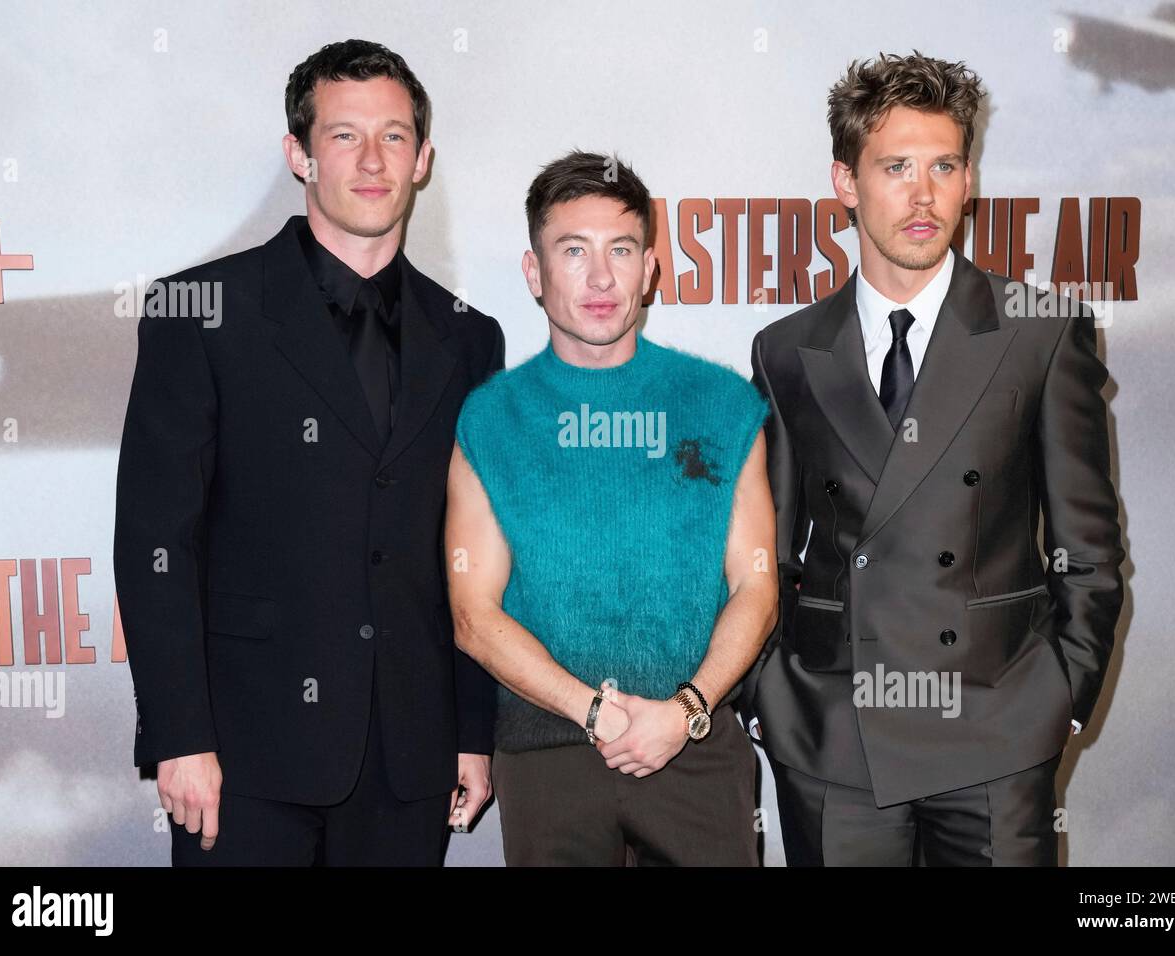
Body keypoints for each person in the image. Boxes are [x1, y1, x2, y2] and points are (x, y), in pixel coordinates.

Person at [114, 38, 502, 865]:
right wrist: (180, 736)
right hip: (242, 754)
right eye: (344, 135)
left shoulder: (470, 339)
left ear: (423, 160)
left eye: (394, 136)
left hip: (409, 754)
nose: (373, 160)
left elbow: (473, 555)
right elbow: (155, 542)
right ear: (300, 154)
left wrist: (472, 730)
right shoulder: (201, 312)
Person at [739, 51, 1125, 865]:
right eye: (897, 168)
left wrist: (1060, 701)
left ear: (969, 178)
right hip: (836, 742)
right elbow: (762, 556)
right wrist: (768, 697)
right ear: (845, 182)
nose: (924, 195)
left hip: (996, 733)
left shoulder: (1041, 332)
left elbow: (1088, 550)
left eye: (944, 166)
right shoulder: (786, 350)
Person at [445, 151, 777, 865]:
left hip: (697, 747)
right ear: (534, 273)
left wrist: (685, 710)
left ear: (650, 269)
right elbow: (473, 615)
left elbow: (756, 586)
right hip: (546, 753)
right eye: (574, 251)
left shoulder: (722, 404)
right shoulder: (491, 420)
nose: (600, 277)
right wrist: (595, 711)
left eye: (621, 250)